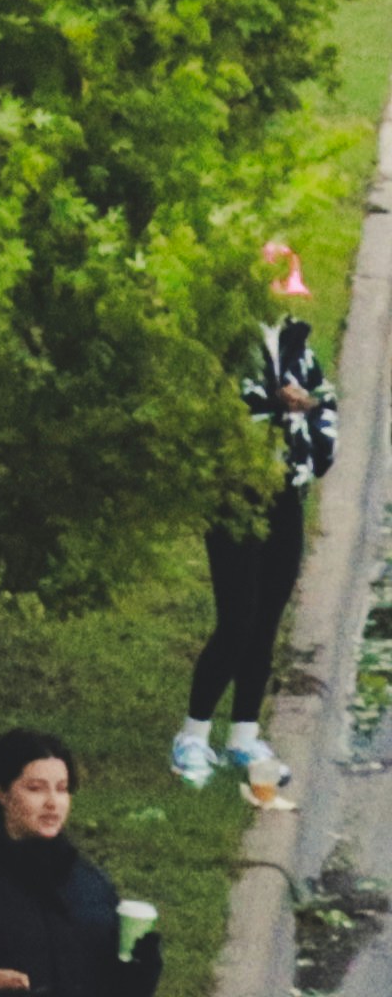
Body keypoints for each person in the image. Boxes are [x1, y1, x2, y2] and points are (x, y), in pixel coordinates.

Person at [187, 239, 336, 796]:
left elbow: (327, 406)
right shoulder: (232, 348)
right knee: (238, 616)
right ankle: (194, 731)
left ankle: (244, 730)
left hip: (284, 496)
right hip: (236, 497)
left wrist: (310, 413)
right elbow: (223, 416)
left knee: (269, 615)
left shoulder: (298, 344)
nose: (284, 302)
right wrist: (281, 408)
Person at [0, 726, 158, 997]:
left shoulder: (91, 884)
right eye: (35, 789)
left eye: (62, 789)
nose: (52, 802)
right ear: (0, 791)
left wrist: (140, 973)